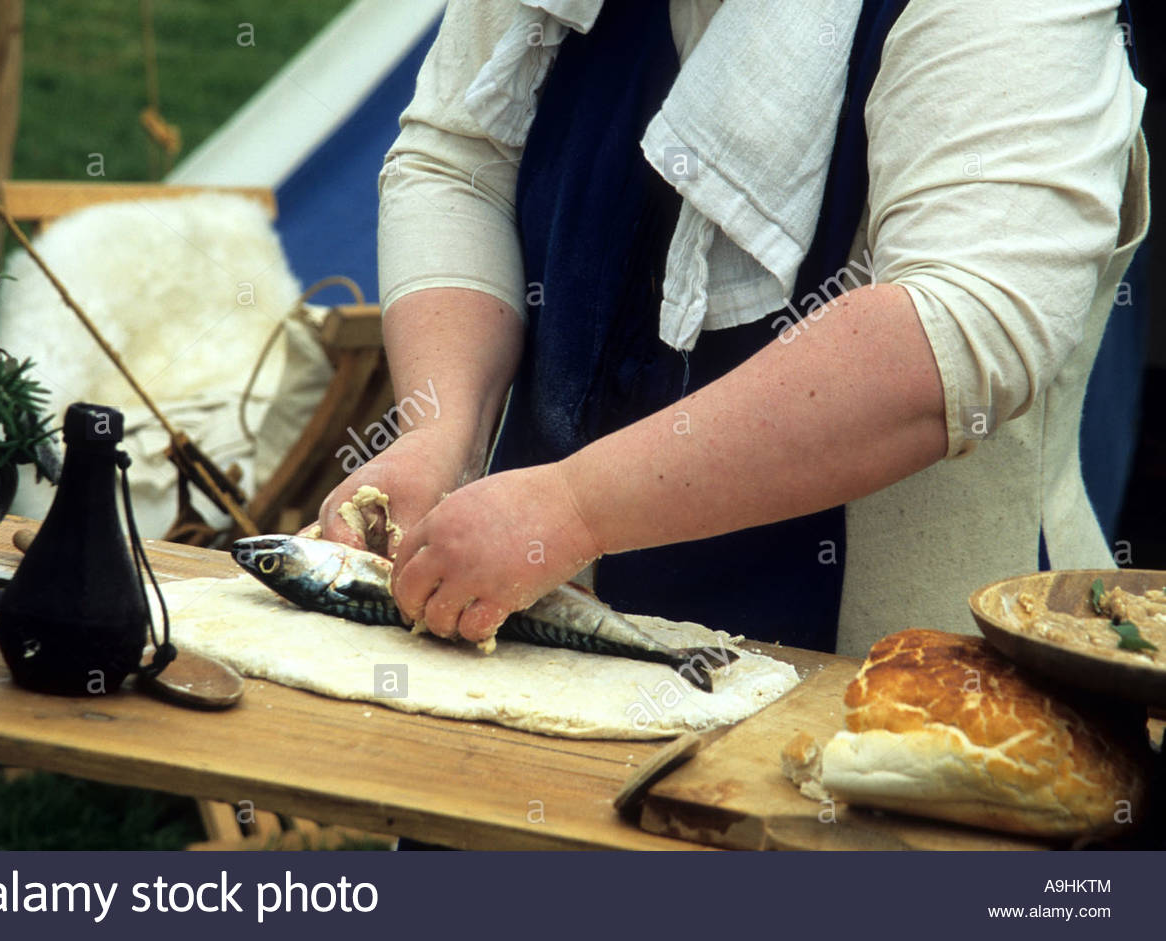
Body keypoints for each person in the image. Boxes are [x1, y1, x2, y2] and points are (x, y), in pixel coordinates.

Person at [313, 0, 1148, 659]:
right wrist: (441, 433)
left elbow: (967, 321)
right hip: (509, 634)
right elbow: (459, 161)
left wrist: (574, 506)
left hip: (891, 697)